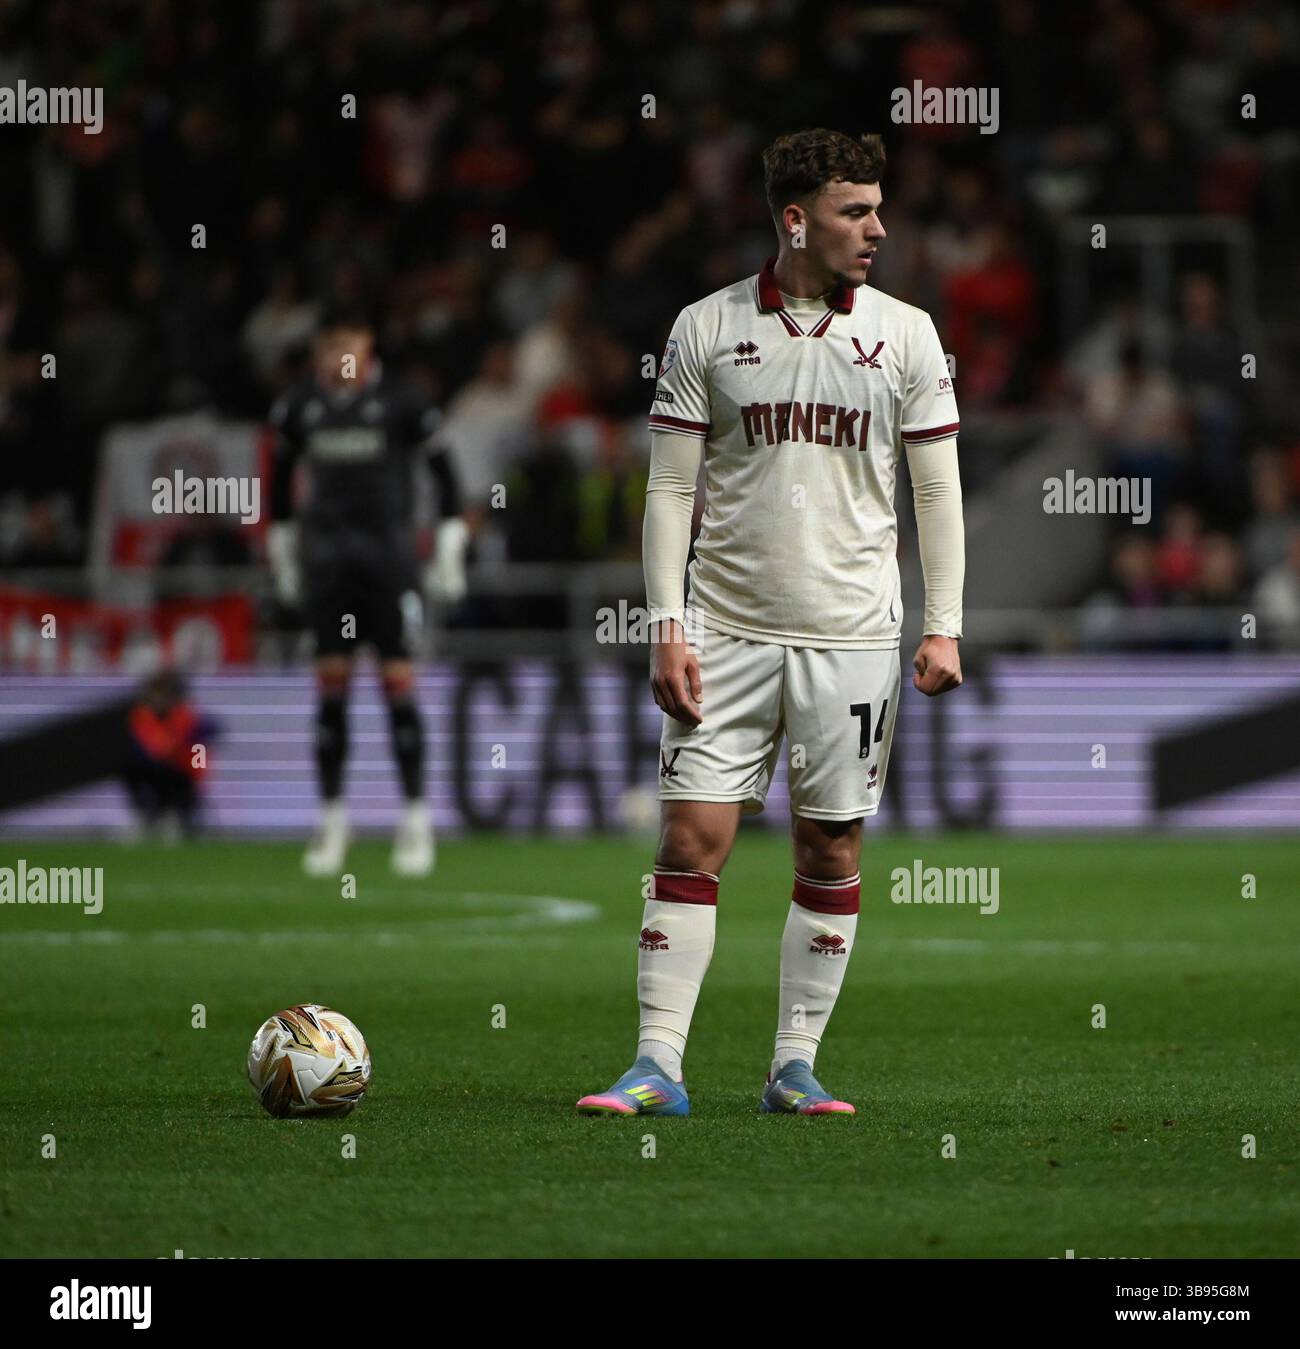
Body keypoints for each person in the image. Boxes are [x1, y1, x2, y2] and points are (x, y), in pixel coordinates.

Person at [577, 129, 965, 1117]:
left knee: (830, 847)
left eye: (877, 207)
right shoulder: (704, 329)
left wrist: (944, 622)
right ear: (794, 219)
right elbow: (669, 490)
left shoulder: (908, 335)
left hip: (852, 636)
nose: (876, 227)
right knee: (690, 836)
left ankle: (793, 1063)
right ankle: (656, 1063)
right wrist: (666, 622)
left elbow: (937, 491)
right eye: (853, 210)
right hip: (726, 627)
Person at [266, 305, 468, 877]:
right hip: (328, 565)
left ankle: (415, 816)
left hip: (387, 566)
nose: (338, 357)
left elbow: (447, 480)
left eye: (348, 342)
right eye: (329, 346)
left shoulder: (405, 402)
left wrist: (448, 553)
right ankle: (332, 817)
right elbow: (278, 491)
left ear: (369, 343)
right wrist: (282, 556)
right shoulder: (300, 407)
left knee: (397, 685)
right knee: (331, 690)